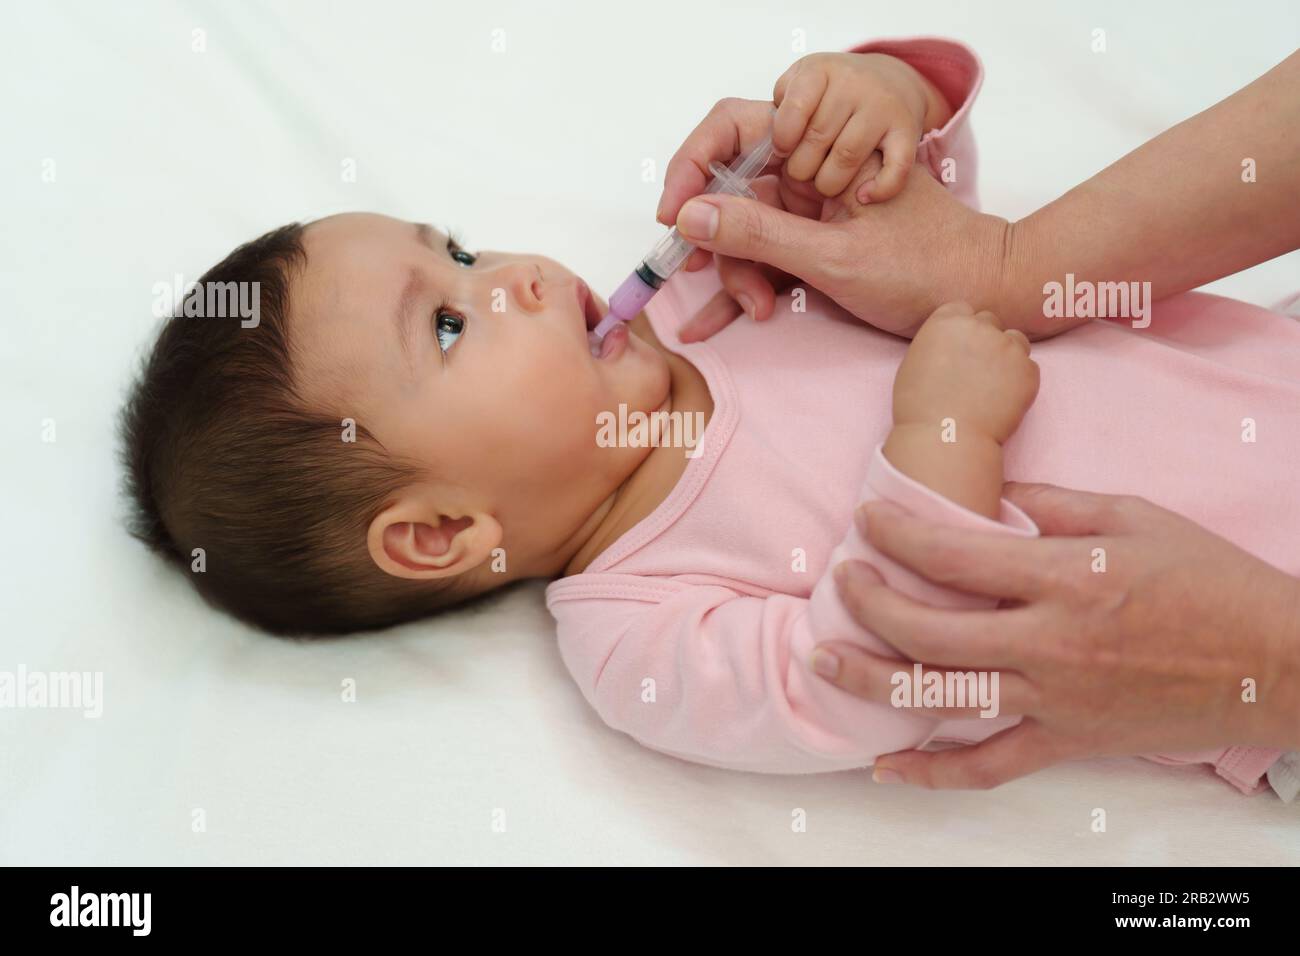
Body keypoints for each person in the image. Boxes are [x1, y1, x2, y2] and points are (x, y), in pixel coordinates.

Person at [656, 44, 1300, 790]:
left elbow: (929, 230)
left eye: (478, 256)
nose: (515, 278)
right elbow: (852, 685)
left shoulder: (709, 280)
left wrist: (875, 120)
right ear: (479, 533)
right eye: (479, 322)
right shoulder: (633, 622)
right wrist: (944, 433)